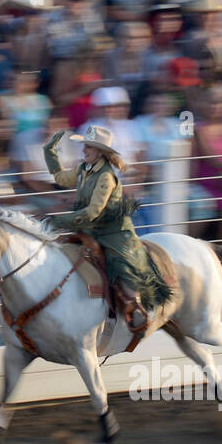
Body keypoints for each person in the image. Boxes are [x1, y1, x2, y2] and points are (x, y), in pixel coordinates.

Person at [41, 125, 171, 331]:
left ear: (100, 152)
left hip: (114, 232)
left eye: (89, 148)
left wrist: (58, 222)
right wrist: (49, 152)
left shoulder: (106, 177)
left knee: (121, 266)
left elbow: (92, 212)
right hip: (91, 229)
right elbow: (60, 178)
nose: (84, 150)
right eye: (84, 146)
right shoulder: (83, 169)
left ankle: (135, 307)